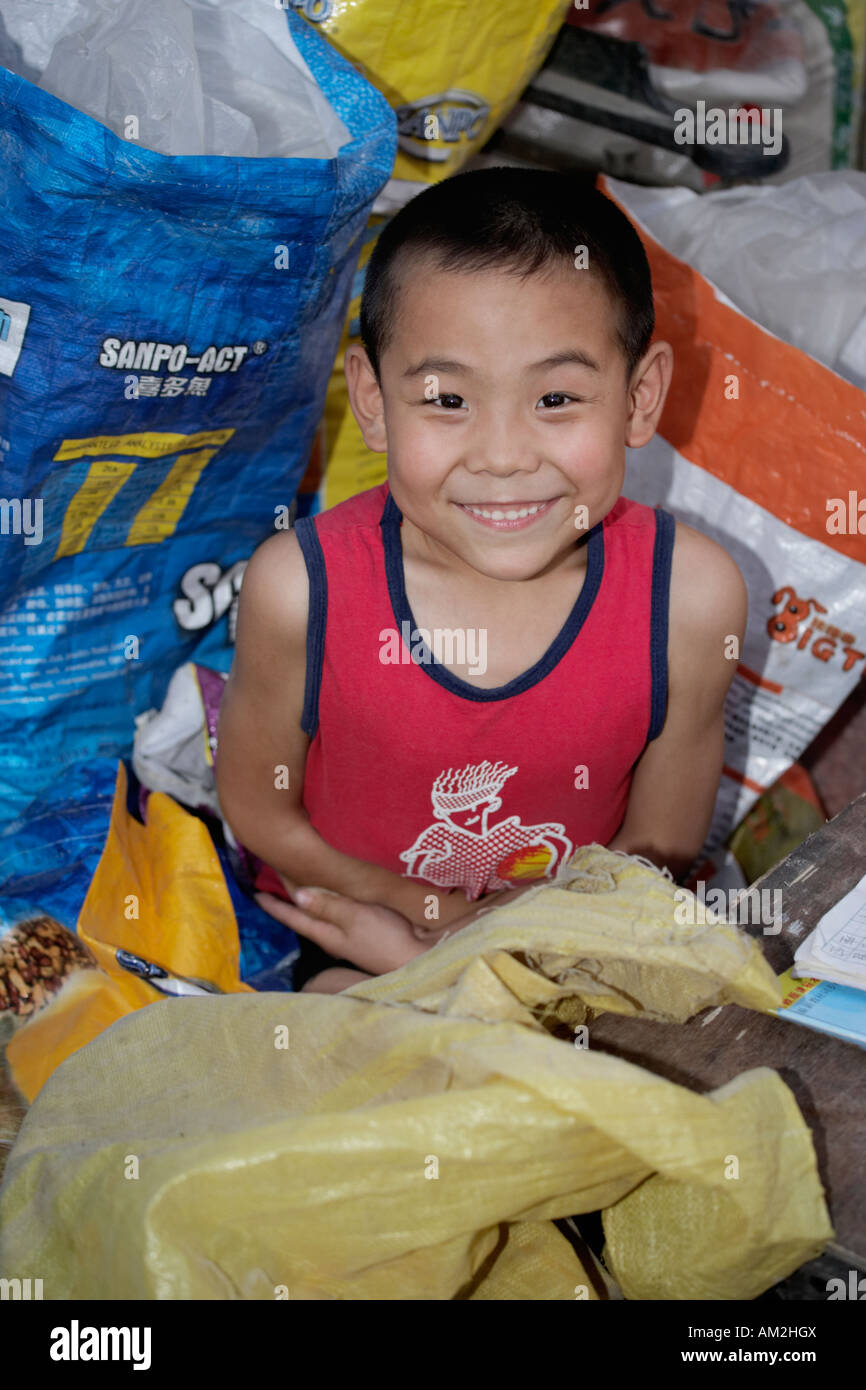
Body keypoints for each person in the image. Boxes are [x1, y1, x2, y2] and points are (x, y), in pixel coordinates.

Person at [216, 167, 747, 994]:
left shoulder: (688, 601)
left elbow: (657, 863)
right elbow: (260, 809)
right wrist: (423, 919)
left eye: (558, 397)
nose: (502, 457)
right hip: (364, 929)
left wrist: (479, 950)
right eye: (447, 399)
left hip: (579, 954)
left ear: (641, 399)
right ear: (372, 399)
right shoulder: (303, 591)